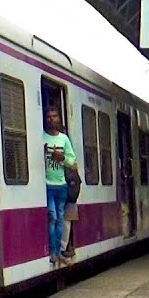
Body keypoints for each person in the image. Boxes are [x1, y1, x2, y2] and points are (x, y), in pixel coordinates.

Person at [43, 105, 78, 266]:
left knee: (59, 219)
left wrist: (61, 158)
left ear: (59, 118)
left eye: (55, 116)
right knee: (53, 217)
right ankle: (53, 252)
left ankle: (57, 252)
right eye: (49, 116)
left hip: (62, 185)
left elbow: (73, 164)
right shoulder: (41, 137)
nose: (52, 119)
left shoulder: (64, 139)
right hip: (48, 185)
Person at [58, 162, 82, 264]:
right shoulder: (72, 166)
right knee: (67, 222)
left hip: (66, 199)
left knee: (65, 222)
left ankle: (64, 248)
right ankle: (67, 247)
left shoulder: (63, 167)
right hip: (71, 199)